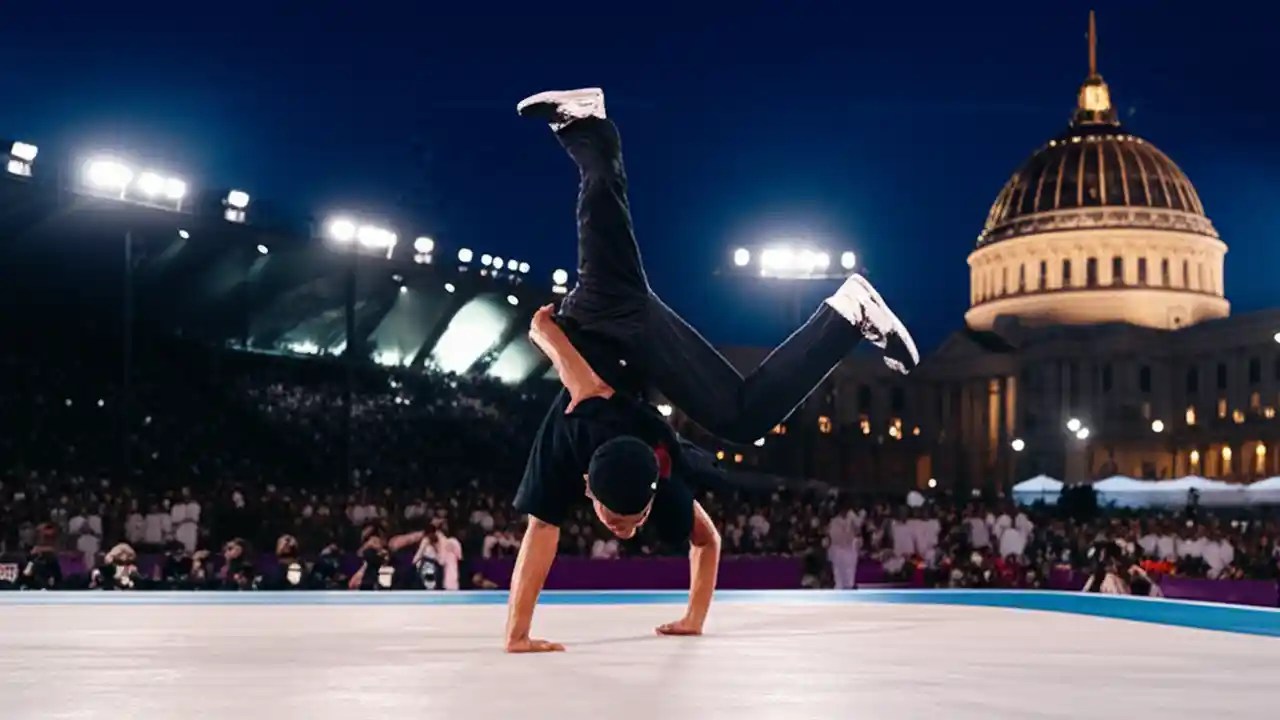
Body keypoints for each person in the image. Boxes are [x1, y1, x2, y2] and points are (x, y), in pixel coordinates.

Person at [504, 88, 919, 653]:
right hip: (640, 336)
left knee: (602, 214)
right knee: (742, 417)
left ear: (587, 489)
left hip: (604, 312)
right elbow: (707, 542)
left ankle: (586, 123)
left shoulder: (570, 433)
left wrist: (547, 333)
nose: (626, 529)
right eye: (633, 522)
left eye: (622, 521)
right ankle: (848, 315)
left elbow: (584, 392)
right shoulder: (659, 461)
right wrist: (693, 618)